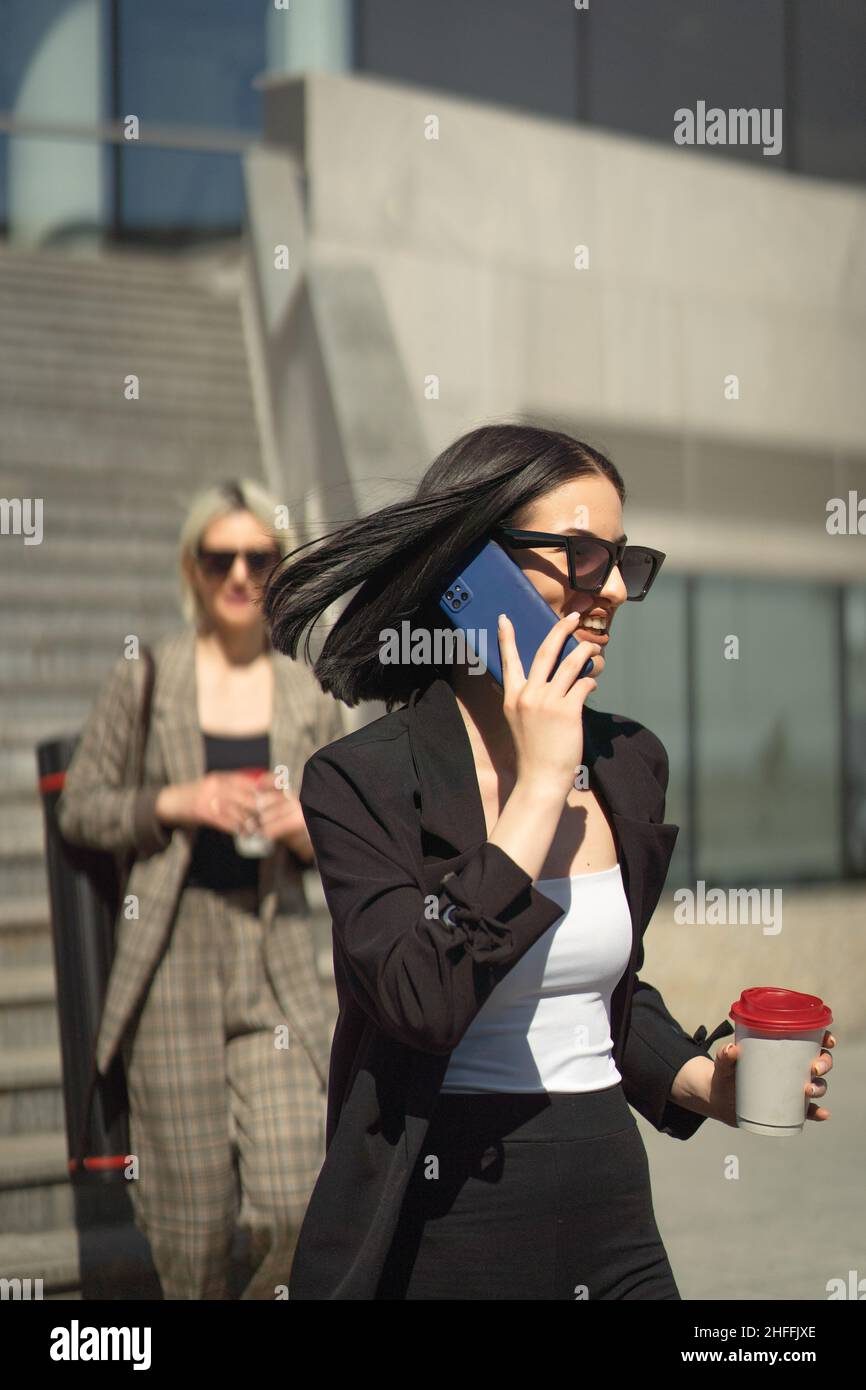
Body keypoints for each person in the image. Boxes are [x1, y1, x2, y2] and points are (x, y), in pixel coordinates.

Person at [263, 422, 835, 1301]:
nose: (609, 590)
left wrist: (702, 1079)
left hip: (616, 1221)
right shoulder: (363, 781)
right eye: (578, 554)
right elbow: (423, 997)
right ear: (474, 569)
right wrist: (535, 792)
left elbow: (603, 992)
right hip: (446, 1224)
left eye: (621, 561)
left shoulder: (627, 761)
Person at [57, 478, 346, 1299]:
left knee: (300, 1198)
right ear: (193, 567)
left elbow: (357, 835)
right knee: (191, 1235)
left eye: (260, 557)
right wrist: (176, 801)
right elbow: (81, 806)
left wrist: (304, 828)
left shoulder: (309, 690)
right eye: (222, 557)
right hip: (172, 967)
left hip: (278, 959)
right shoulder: (149, 677)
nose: (241, 575)